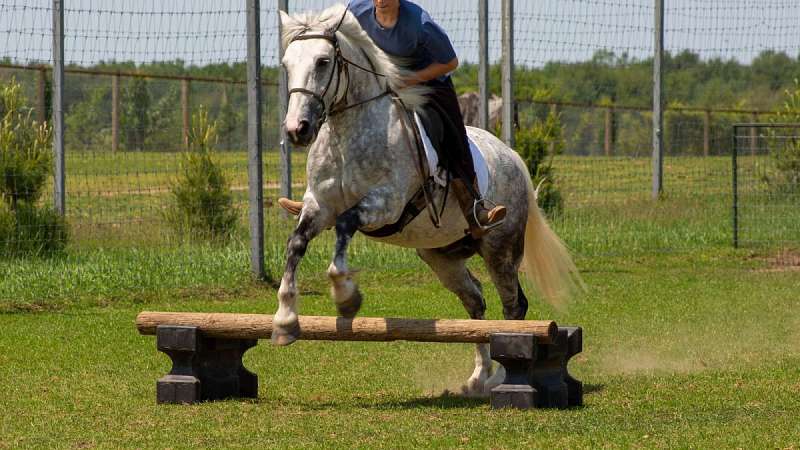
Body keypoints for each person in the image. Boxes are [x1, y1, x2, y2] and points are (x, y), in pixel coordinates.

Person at [278, 0, 506, 238]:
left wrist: (410, 79)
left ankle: (475, 209)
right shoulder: (356, 11)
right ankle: (321, 198)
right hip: (381, 80)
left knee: (449, 134)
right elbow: (323, 34)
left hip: (428, 83)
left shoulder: (420, 22)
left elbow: (450, 63)